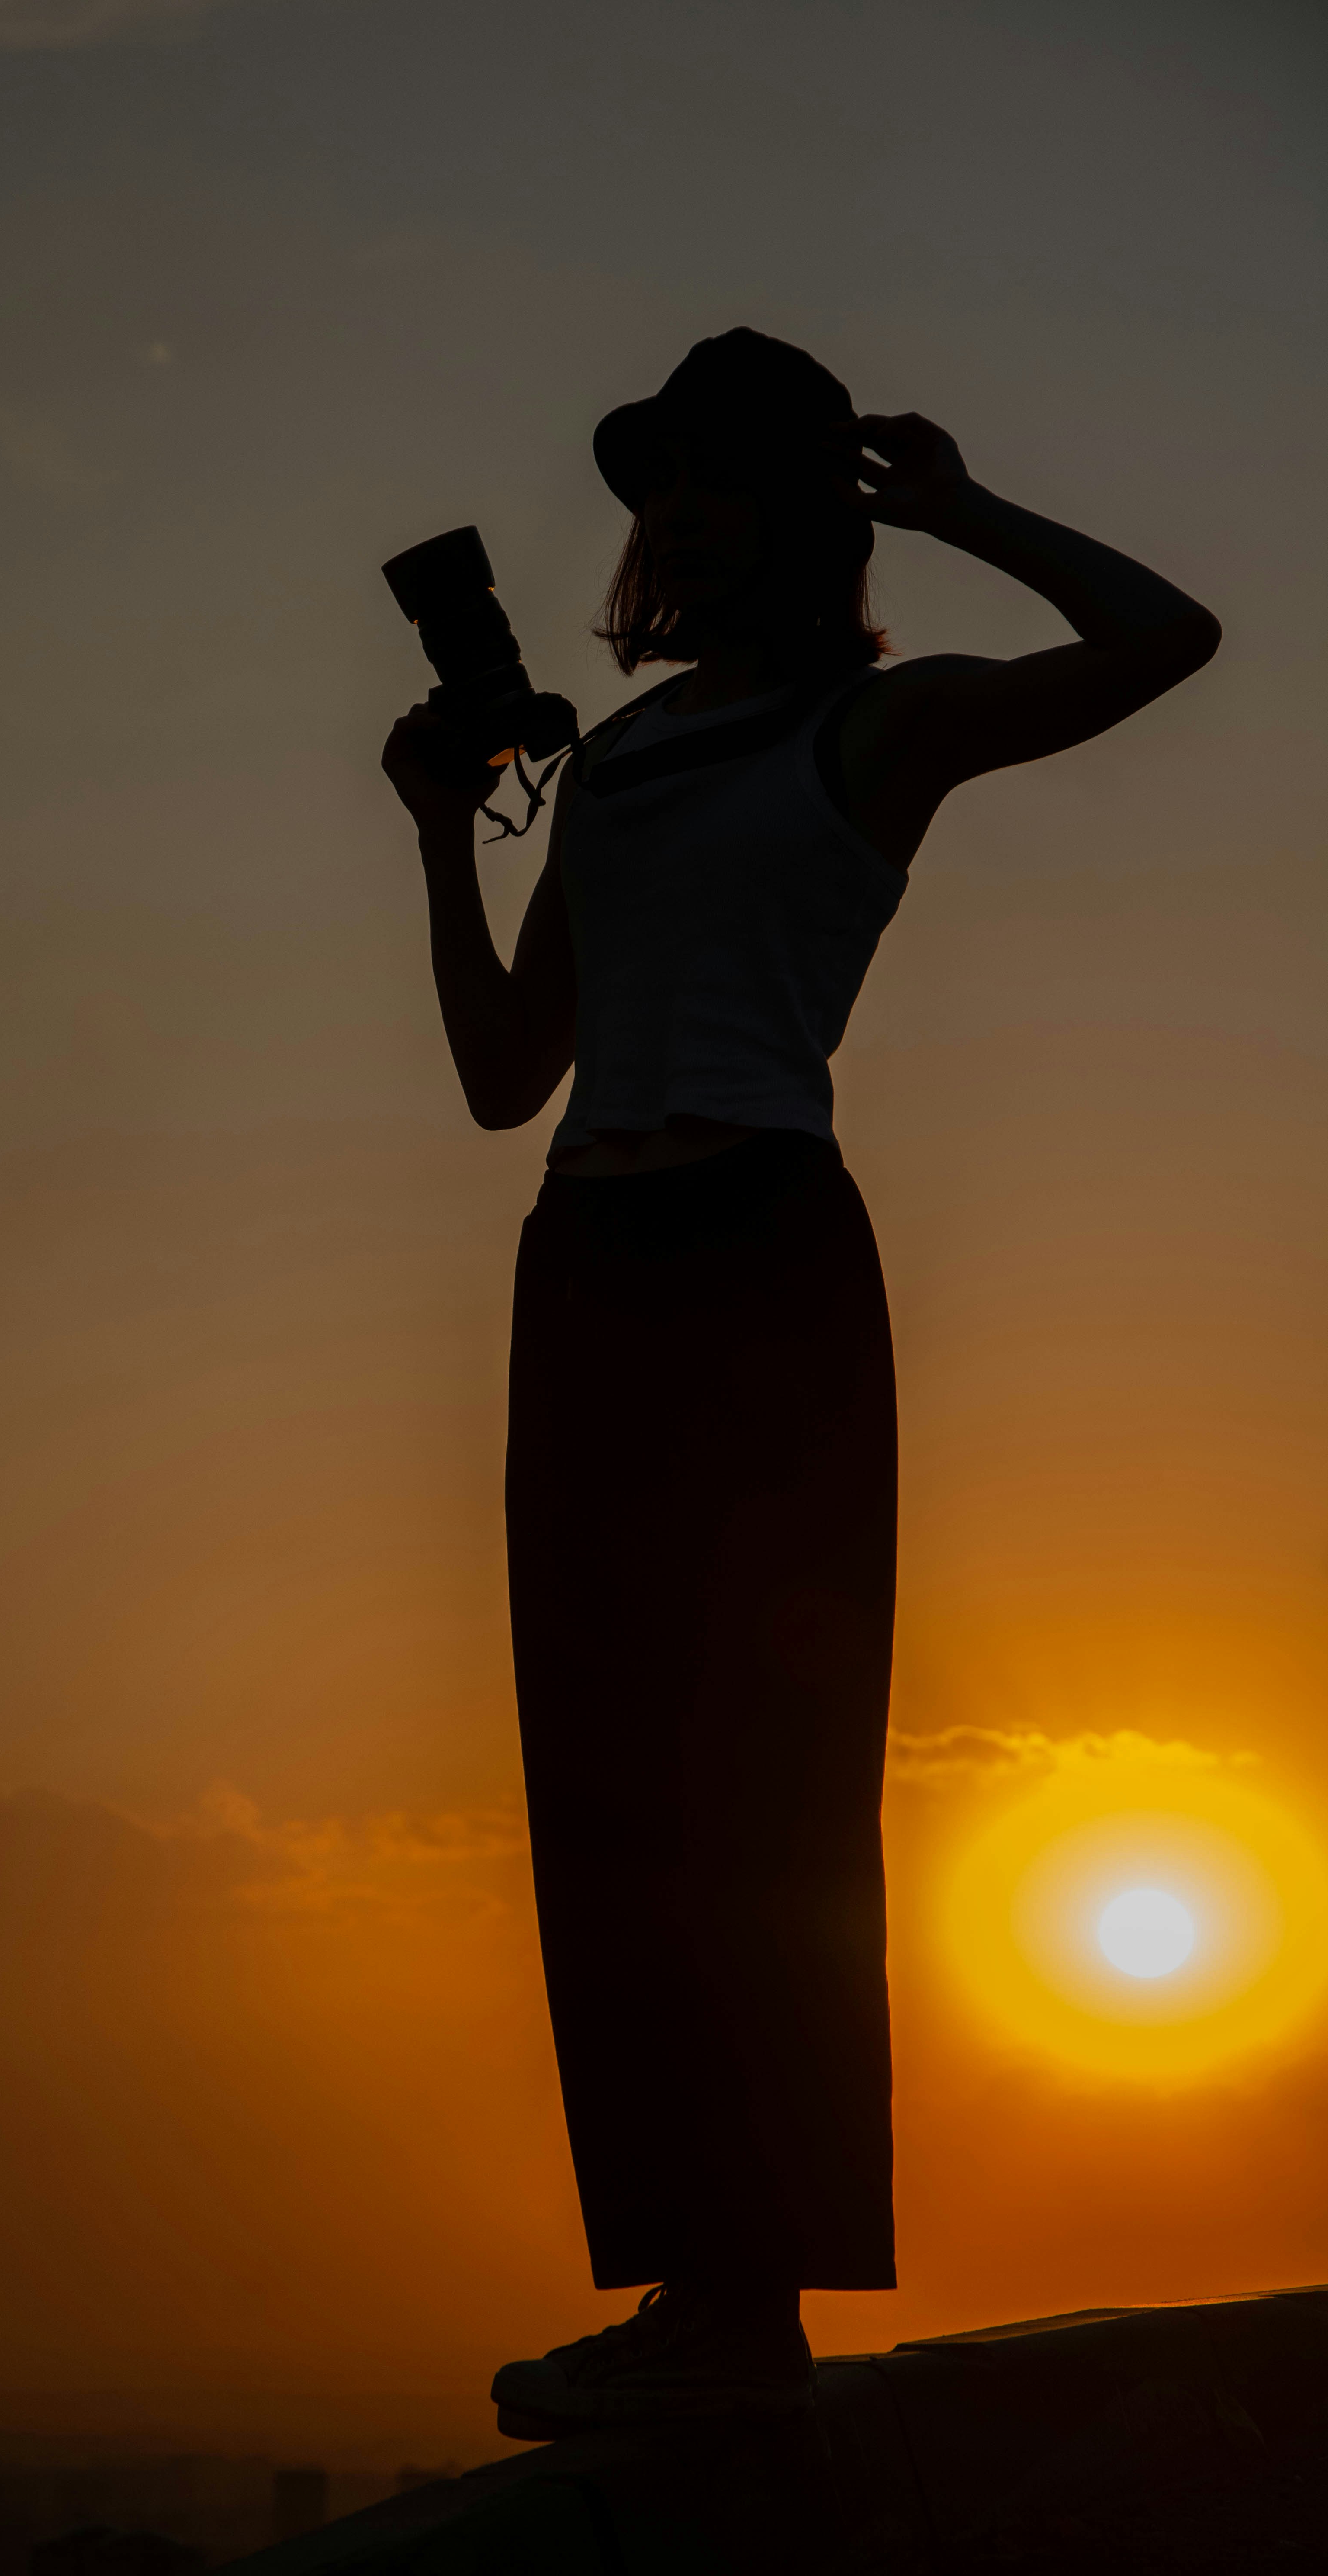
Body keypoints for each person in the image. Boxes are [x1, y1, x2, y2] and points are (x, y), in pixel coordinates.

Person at [380, 329, 1219, 2438]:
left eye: (714, 477)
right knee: (612, 1792)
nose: (670, 516)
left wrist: (963, 510)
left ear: (801, 509)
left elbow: (1165, 635)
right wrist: (430, 836)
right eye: (657, 482)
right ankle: (691, 2289)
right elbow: (506, 1077)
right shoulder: (626, 756)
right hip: (582, 1259)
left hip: (766, 1249)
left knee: (769, 1784)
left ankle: (754, 2295)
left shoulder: (884, 723)